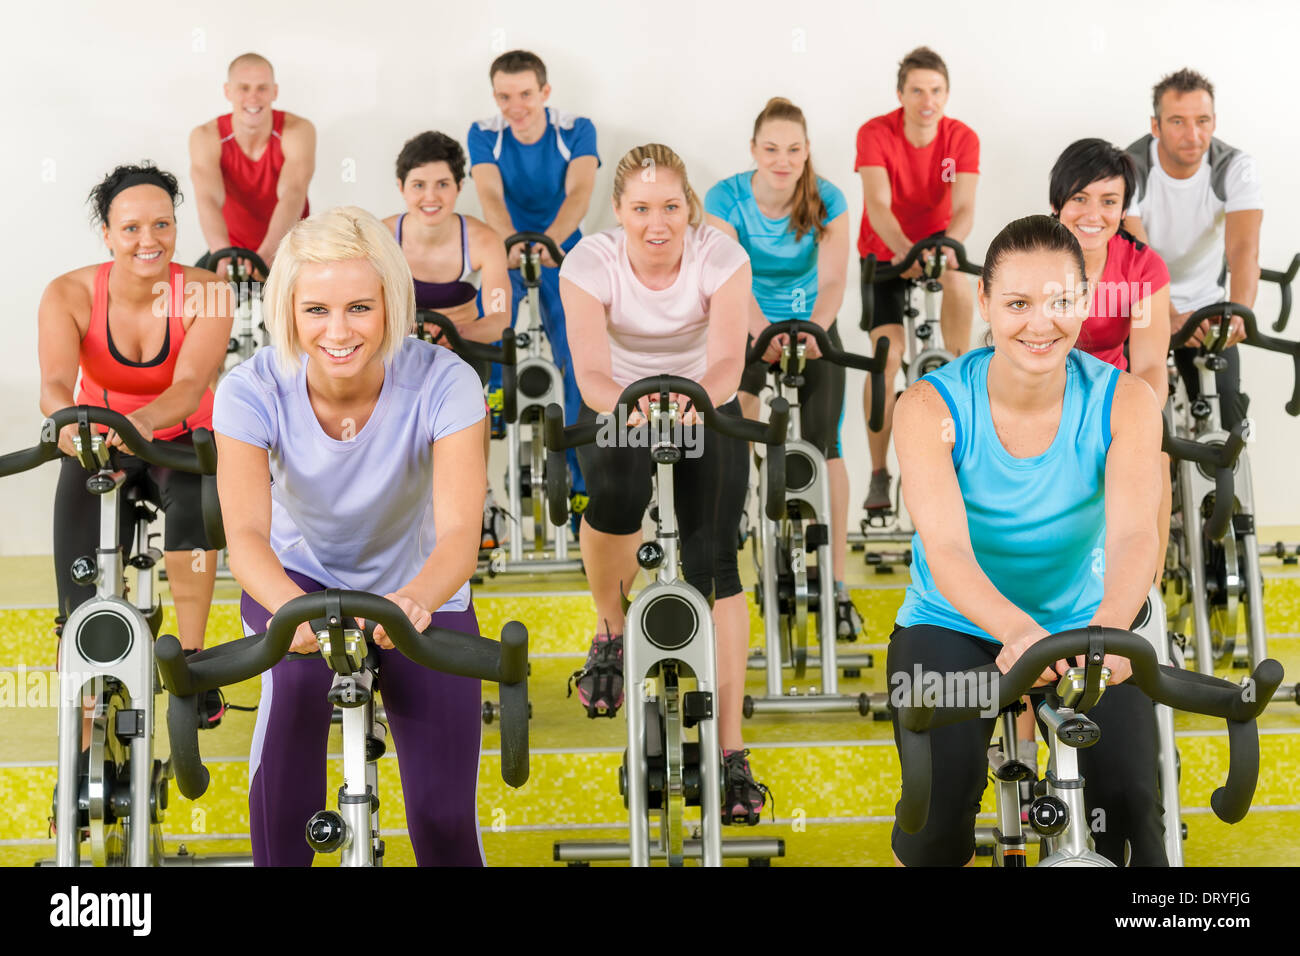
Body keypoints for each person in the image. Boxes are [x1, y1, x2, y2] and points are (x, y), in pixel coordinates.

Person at [212, 206, 489, 866]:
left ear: (392, 304)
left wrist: (416, 597)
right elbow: (246, 533)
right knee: (287, 782)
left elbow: (457, 531)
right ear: (288, 312)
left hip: (423, 585)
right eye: (316, 311)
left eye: (360, 308)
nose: (337, 332)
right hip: (298, 582)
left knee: (444, 816)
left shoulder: (445, 381)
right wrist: (287, 611)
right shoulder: (249, 389)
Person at [888, 214, 1166, 866]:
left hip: (1085, 623)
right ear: (983, 301)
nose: (1040, 324)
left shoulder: (1126, 400)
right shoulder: (929, 407)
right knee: (937, 814)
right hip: (954, 626)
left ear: (1086, 301)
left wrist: (1108, 630)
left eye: (1060, 302)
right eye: (1016, 303)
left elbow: (1133, 536)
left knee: (1129, 808)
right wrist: (1022, 638)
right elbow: (948, 552)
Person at [559, 143, 769, 824]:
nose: (658, 222)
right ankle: (613, 631)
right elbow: (589, 373)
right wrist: (632, 405)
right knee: (616, 502)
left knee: (716, 562)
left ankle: (732, 751)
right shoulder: (590, 261)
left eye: (671, 207)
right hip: (616, 400)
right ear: (618, 211)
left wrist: (690, 402)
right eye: (642, 208)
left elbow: (728, 363)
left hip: (705, 399)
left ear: (690, 210)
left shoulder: (720, 256)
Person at [37, 163, 230, 659]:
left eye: (162, 224)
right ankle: (79, 671)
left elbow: (190, 386)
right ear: (107, 234)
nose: (150, 239)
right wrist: (66, 424)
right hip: (98, 441)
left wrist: (142, 422)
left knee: (191, 528)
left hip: (183, 438)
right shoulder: (69, 293)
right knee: (81, 553)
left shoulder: (208, 291)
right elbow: (55, 385)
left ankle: (193, 660)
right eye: (131, 228)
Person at [704, 96, 863, 638]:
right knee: (736, 427)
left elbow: (836, 280)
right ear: (754, 150)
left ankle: (837, 584)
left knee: (827, 445)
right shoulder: (724, 198)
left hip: (814, 324)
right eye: (771, 148)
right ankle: (747, 511)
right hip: (744, 322)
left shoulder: (829, 198)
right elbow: (730, 277)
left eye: (794, 149)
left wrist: (815, 330)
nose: (782, 159)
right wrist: (761, 333)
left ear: (807, 151)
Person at [469, 49, 599, 524]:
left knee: (577, 358)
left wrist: (549, 243)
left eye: (525, 94)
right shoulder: (485, 134)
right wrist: (512, 246)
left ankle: (580, 483)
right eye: (505, 96)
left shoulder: (576, 129)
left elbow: (580, 193)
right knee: (492, 321)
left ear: (544, 92)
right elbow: (489, 194)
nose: (515, 106)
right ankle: (498, 399)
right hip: (508, 246)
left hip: (562, 249)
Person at [856, 46, 980, 514]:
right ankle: (879, 474)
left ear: (946, 94)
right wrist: (906, 249)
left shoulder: (962, 138)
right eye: (917, 91)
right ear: (900, 94)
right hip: (886, 253)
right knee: (886, 361)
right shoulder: (875, 133)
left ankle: (963, 372)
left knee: (957, 281)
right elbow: (878, 203)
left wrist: (946, 245)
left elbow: (965, 207)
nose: (927, 101)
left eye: (936, 91)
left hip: (937, 248)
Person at [384, 130, 511, 549]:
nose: (430, 196)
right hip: (398, 353)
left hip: (461, 355)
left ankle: (480, 501)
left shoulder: (482, 239)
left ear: (459, 186)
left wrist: (446, 335)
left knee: (467, 413)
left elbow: (498, 318)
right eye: (418, 185)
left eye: (443, 184)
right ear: (401, 187)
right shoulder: (382, 237)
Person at [1122, 68, 1263, 432]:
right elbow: (1140, 253)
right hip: (1144, 303)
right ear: (1155, 126)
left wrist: (1240, 312)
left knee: (1230, 420)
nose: (1193, 135)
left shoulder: (1234, 166)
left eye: (1202, 121)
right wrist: (1167, 314)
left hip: (1207, 308)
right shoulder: (1129, 168)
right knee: (1141, 420)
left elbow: (1244, 249)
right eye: (1178, 122)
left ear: (1214, 121)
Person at [190, 52, 315, 270]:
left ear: (274, 92)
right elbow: (207, 198)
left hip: (289, 247)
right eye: (244, 88)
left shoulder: (297, 131)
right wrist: (221, 255)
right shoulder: (206, 136)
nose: (253, 98)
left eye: (262, 88)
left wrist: (267, 255)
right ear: (227, 91)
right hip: (231, 250)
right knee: (190, 297)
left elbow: (293, 193)